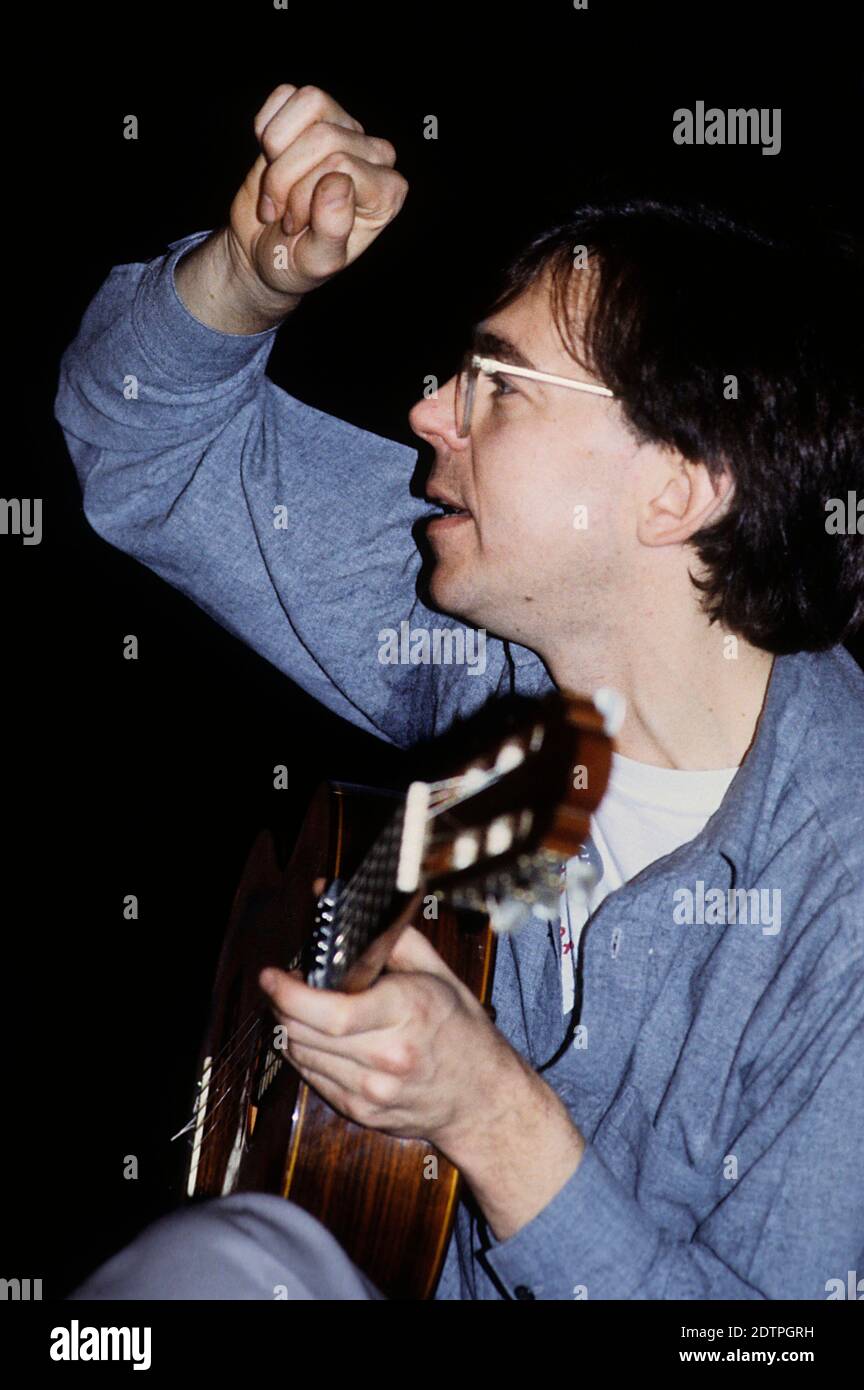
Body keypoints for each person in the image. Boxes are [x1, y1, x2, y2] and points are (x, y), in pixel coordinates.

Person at [55, 83, 864, 1301]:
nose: (430, 410)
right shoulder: (480, 638)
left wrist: (494, 1119)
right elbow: (139, 446)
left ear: (678, 490)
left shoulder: (840, 899)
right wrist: (252, 273)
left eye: (500, 386)